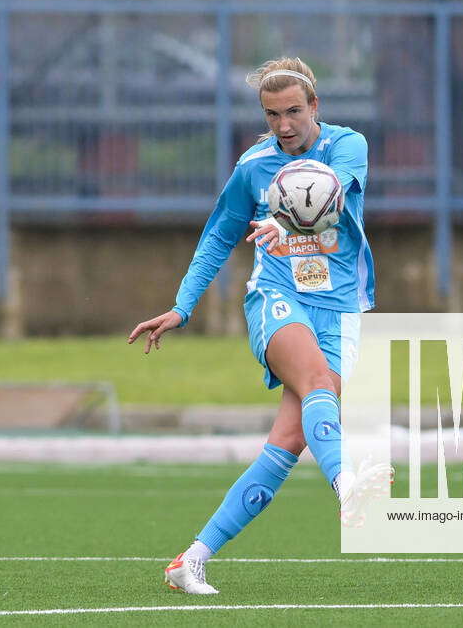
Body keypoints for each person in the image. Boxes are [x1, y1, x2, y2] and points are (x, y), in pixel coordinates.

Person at [128, 56, 376, 595]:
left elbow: (331, 190)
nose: (283, 125)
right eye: (271, 115)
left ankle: (190, 559)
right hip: (277, 296)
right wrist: (182, 305)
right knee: (315, 384)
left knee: (287, 444)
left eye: (293, 111)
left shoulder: (348, 146)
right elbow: (218, 236)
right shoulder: (254, 165)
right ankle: (348, 485)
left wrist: (282, 217)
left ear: (315, 106)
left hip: (339, 310)